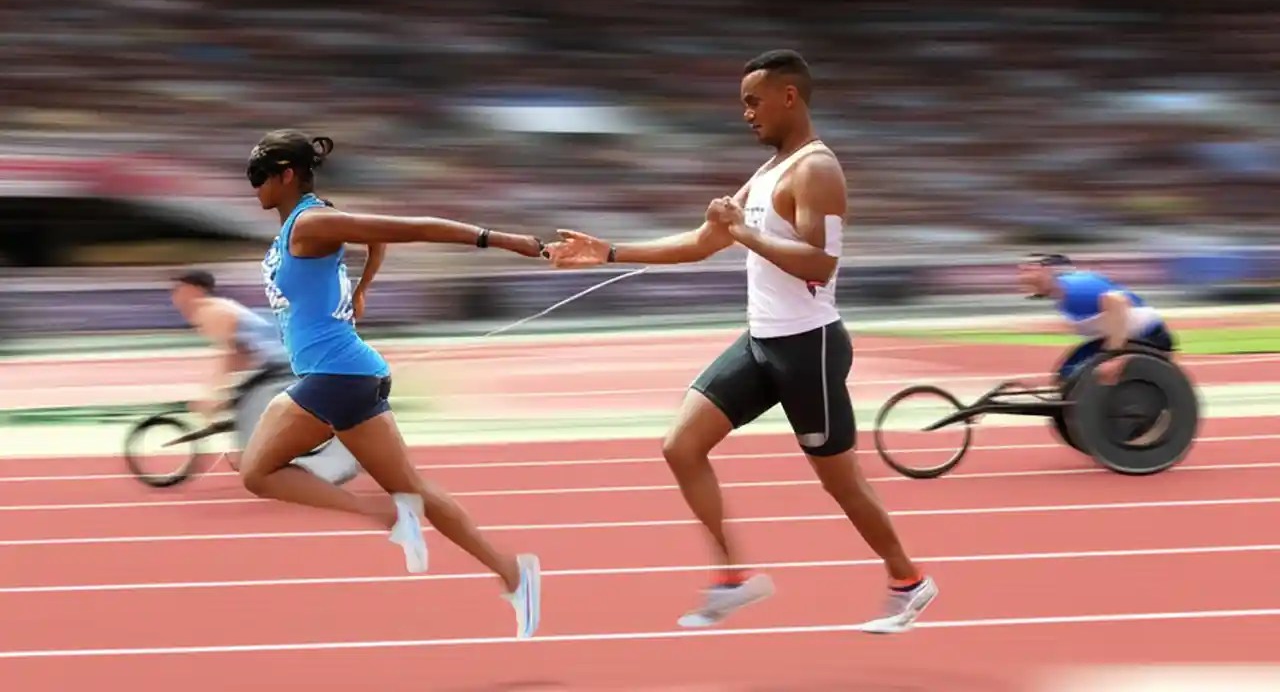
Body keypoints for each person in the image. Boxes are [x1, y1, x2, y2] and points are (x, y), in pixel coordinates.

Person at [545, 49, 936, 634]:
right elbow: (704, 242)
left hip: (809, 348)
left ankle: (908, 581)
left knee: (840, 483)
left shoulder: (816, 169)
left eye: (754, 102)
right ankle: (732, 580)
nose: (746, 114)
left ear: (789, 97)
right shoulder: (769, 170)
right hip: (761, 342)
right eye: (742, 104)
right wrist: (609, 252)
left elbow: (820, 264)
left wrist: (745, 231)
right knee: (680, 445)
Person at [242, 129, 543, 638]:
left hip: (336, 374)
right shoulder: (303, 224)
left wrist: (502, 240)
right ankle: (515, 574)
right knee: (416, 489)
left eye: (257, 177)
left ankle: (384, 515)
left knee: (257, 471)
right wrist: (363, 287)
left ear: (286, 175)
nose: (253, 188)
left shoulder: (312, 222)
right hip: (349, 375)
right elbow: (372, 238)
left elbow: (413, 228)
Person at [169, 267, 363, 485]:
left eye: (179, 289)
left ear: (194, 290)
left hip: (278, 362)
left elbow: (230, 354)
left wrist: (214, 393)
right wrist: (226, 392)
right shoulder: (215, 309)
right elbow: (242, 352)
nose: (174, 296)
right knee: (245, 405)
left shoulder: (210, 311)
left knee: (253, 410)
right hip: (275, 360)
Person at [1016, 253, 1177, 385]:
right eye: (1022, 271)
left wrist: (1113, 356)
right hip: (1127, 337)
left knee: (1077, 375)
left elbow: (1117, 301)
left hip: (1149, 339)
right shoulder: (1064, 297)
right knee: (1066, 375)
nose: (1022, 276)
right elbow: (1096, 321)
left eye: (1028, 270)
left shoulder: (1075, 286)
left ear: (1047, 271)